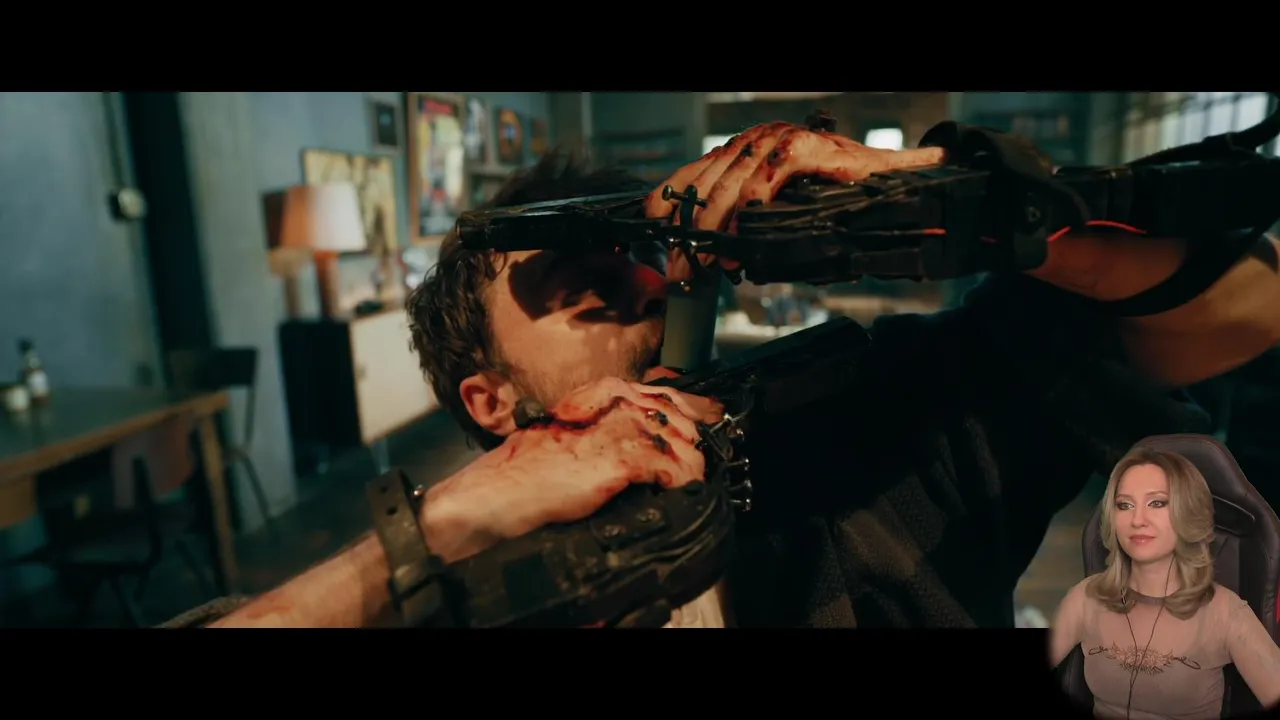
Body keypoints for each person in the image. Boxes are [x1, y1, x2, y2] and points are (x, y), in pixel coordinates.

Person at [176, 120, 1280, 629]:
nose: (639, 292)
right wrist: (441, 529)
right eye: (574, 287)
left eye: (637, 266)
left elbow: (1244, 311)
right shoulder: (440, 582)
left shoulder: (871, 423)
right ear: (489, 399)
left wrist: (931, 199)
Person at [1047, 446, 1280, 718]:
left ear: (1187, 514)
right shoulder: (1085, 598)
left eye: (1156, 503)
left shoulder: (1226, 613)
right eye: (1125, 505)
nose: (1137, 520)